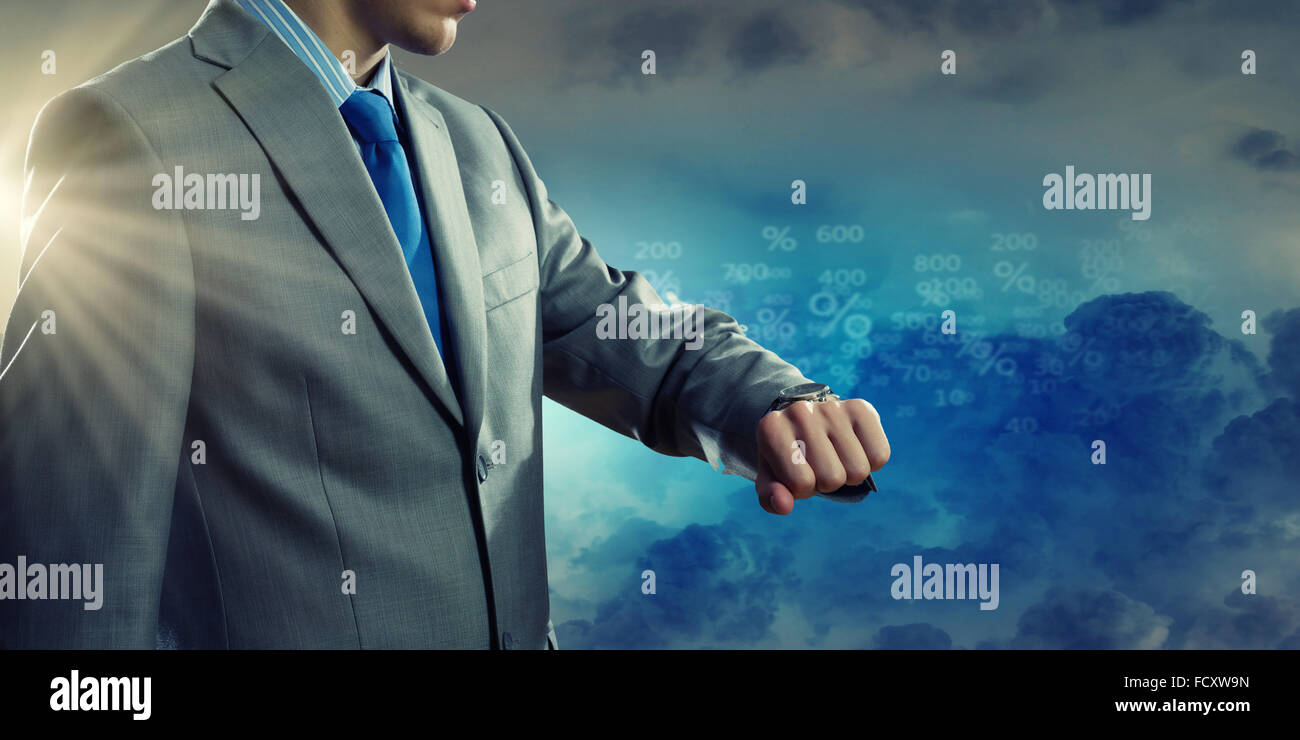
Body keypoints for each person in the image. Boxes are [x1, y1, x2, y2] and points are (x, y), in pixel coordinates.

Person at [0, 0, 890, 649]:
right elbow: (69, 571)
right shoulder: (134, 134)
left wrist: (779, 405)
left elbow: (619, 328)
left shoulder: (476, 143)